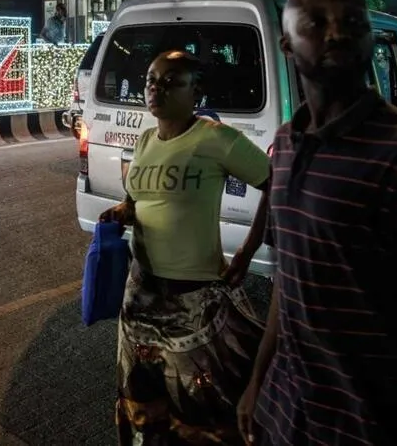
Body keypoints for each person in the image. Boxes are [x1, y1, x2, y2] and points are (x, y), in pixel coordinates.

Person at [238, 0, 397, 446]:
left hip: (367, 425)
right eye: (316, 22)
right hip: (288, 412)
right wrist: (257, 381)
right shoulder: (284, 145)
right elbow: (289, 278)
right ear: (286, 43)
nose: (337, 33)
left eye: (352, 23)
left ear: (369, 40)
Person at [99, 49, 272, 444]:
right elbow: (139, 199)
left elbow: (275, 182)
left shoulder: (217, 139)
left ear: (197, 92)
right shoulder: (144, 141)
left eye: (171, 81)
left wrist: (248, 249)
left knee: (199, 413)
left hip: (192, 302)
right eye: (151, 80)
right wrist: (123, 210)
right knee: (143, 404)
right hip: (140, 296)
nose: (156, 88)